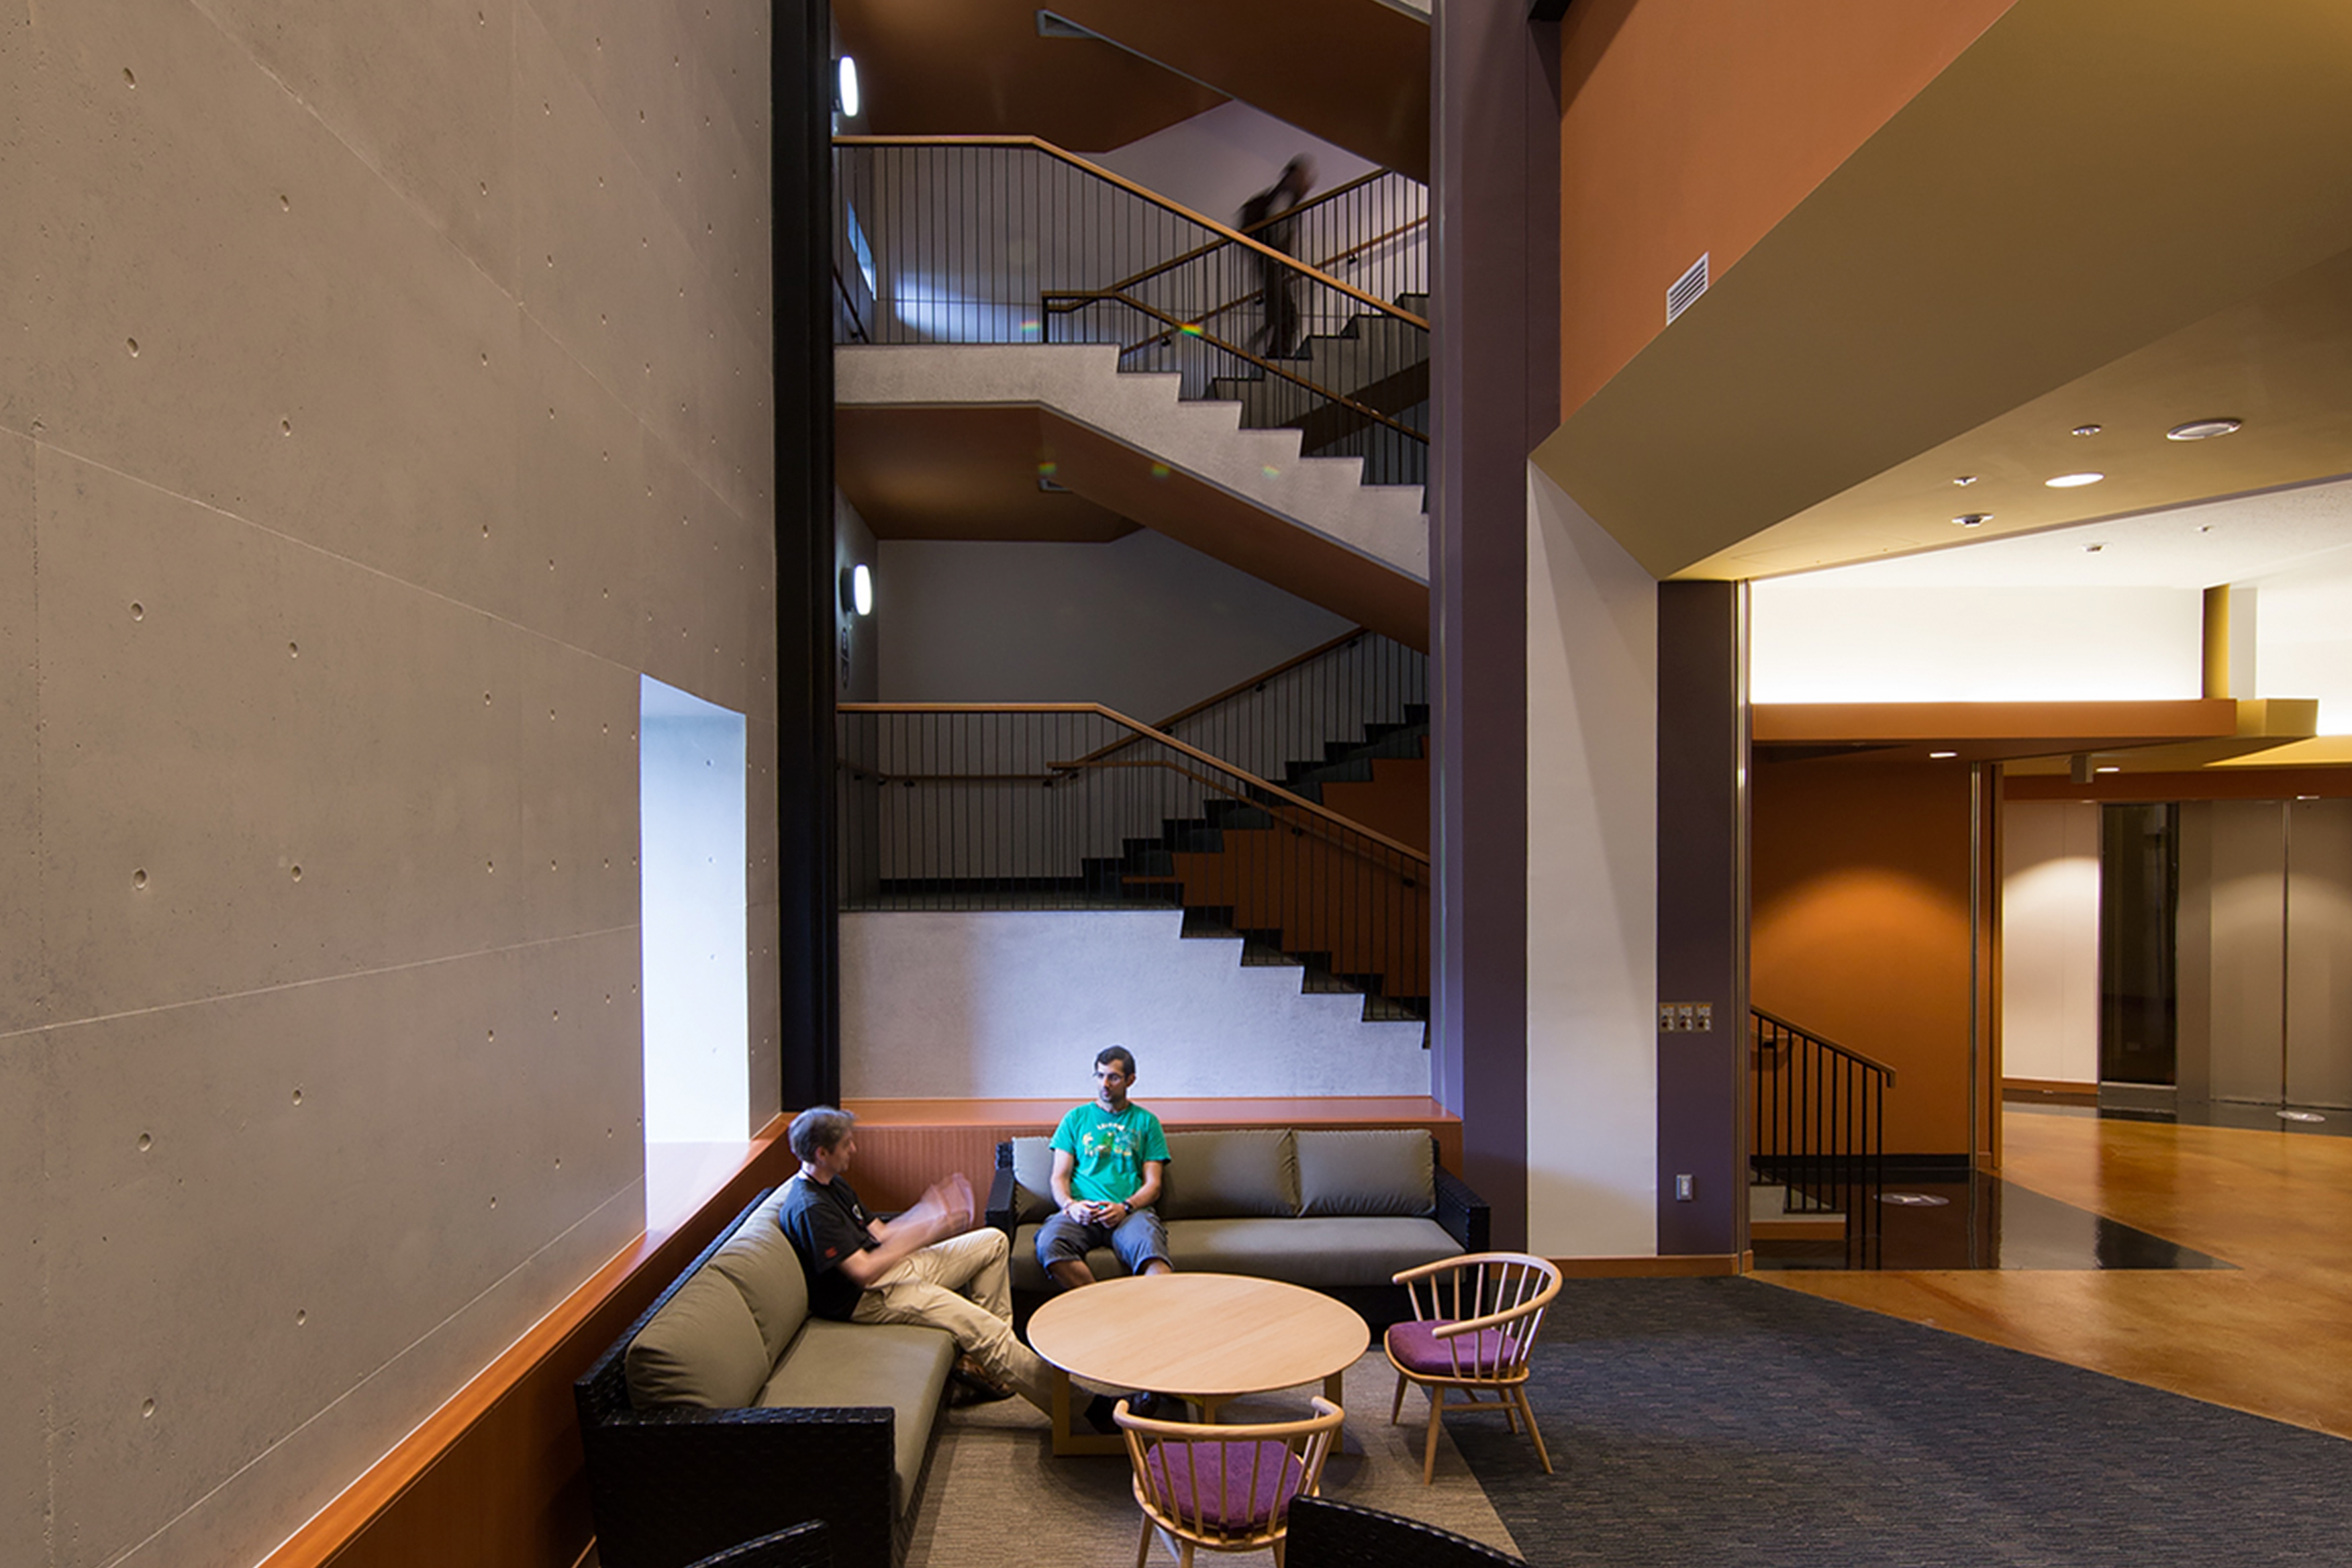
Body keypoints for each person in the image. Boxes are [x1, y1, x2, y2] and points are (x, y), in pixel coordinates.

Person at [777, 1106, 1057, 1414]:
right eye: (846, 1144)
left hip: (893, 1270)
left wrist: (929, 1213)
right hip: (869, 1298)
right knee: (984, 1327)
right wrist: (927, 1232)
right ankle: (1079, 1410)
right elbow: (864, 1272)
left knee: (993, 1241)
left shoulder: (833, 1183)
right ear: (821, 1154)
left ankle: (987, 1366)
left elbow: (881, 1233)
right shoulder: (811, 1209)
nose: (853, 1149)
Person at [1036, 1046, 1175, 1290]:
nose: (1105, 1084)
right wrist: (1070, 1206)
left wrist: (1125, 1207)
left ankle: (1155, 1323)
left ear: (1130, 1080)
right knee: (1049, 1243)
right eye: (1100, 1076)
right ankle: (1101, 1306)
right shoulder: (1075, 1119)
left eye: (1113, 1077)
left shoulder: (1146, 1122)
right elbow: (1059, 1177)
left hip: (1129, 1213)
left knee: (1155, 1258)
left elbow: (1154, 1185)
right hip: (1082, 1212)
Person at [1238, 155, 1317, 360]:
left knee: (1280, 314)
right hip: (1270, 262)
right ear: (1290, 176)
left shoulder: (1285, 199)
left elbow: (1283, 232)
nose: (1304, 181)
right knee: (1287, 316)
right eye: (1301, 176)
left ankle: (1268, 354)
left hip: (1273, 264)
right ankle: (1275, 359)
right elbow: (1277, 231)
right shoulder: (1280, 200)